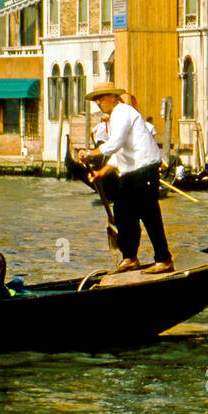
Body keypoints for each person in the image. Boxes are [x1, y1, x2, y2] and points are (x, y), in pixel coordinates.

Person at [79, 83, 172, 275]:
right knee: (122, 211)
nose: (98, 102)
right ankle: (130, 257)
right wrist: (101, 173)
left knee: (149, 213)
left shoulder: (123, 112)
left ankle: (164, 259)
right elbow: (119, 153)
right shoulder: (114, 118)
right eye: (96, 99)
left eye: (102, 97)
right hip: (131, 172)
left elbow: (115, 144)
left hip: (145, 168)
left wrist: (90, 153)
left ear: (114, 97)